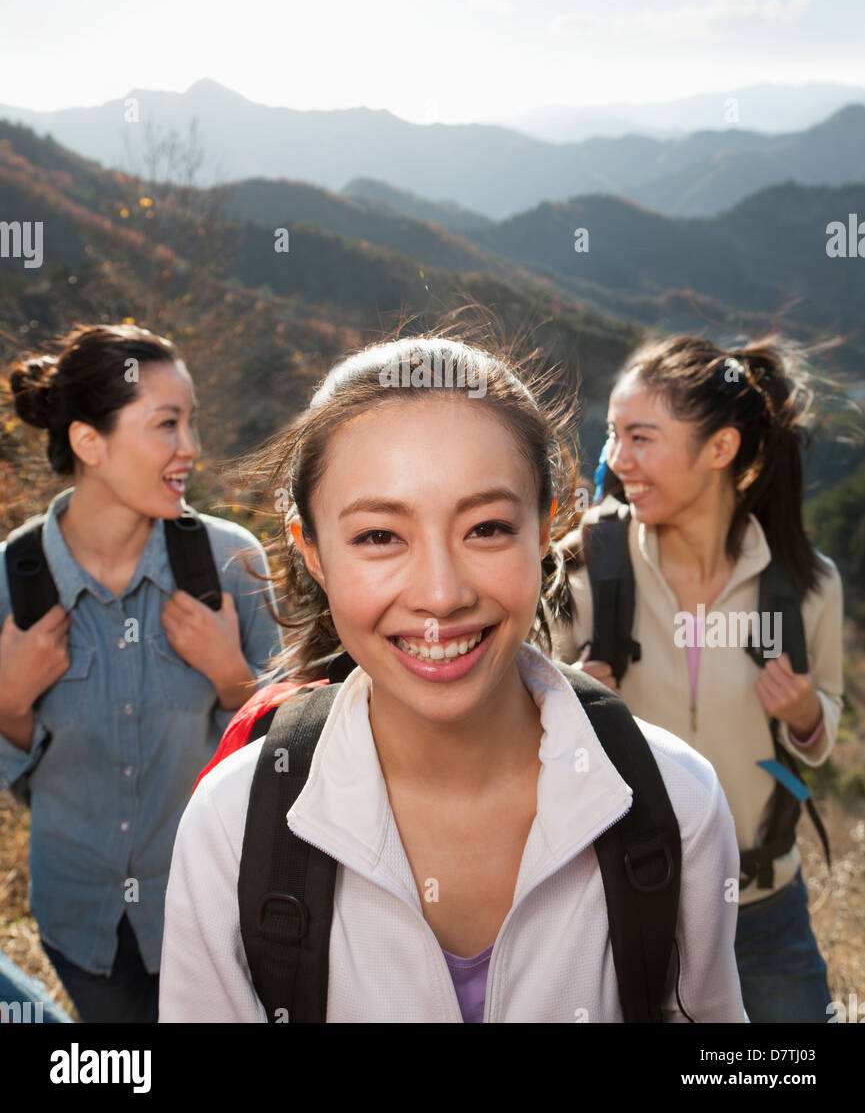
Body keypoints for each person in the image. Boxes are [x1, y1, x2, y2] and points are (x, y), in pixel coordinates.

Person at [159, 330, 747, 1022]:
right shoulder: (234, 825)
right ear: (312, 553)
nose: (441, 594)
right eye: (379, 536)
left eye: (487, 528)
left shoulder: (673, 800)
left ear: (543, 531)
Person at [545, 335, 844, 1024]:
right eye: (615, 436)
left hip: (766, 910)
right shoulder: (584, 569)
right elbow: (512, 730)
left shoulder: (806, 586)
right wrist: (568, 702)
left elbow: (819, 735)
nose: (617, 459)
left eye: (640, 437)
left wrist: (804, 715)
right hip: (624, 903)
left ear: (721, 448)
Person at [0, 323, 283, 1022]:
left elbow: (288, 758)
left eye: (191, 422)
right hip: (78, 920)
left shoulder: (229, 563)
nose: (191, 447)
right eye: (167, 424)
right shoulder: (12, 580)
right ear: (88, 442)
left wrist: (233, 681)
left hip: (216, 915)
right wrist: (8, 704)